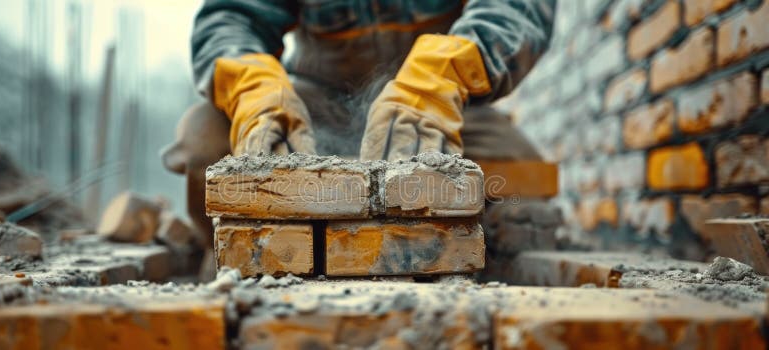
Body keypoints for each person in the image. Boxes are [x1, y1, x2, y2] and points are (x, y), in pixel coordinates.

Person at [162, 0, 555, 278]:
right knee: (205, 139)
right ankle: (230, 262)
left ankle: (466, 263)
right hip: (316, 106)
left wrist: (445, 76)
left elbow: (516, 8)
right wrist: (254, 88)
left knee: (522, 178)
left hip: (440, 105)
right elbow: (232, 14)